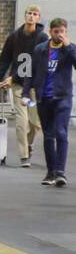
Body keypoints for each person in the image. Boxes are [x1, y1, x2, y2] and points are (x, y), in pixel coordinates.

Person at [23, 17, 76, 186]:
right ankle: (50, 172)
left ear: (65, 32)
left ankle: (60, 172)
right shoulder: (40, 49)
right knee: (48, 136)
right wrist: (25, 93)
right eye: (56, 31)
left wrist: (68, 46)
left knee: (61, 132)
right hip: (44, 98)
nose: (59, 35)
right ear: (50, 32)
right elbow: (30, 72)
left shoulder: (70, 49)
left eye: (62, 31)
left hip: (63, 97)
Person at [0, 5, 47, 169]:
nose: (31, 16)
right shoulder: (14, 37)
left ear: (38, 18)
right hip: (19, 88)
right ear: (25, 16)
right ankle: (24, 156)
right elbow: (5, 58)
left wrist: (12, 77)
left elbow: (34, 62)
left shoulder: (42, 38)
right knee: (21, 120)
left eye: (35, 14)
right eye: (29, 13)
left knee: (35, 123)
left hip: (33, 88)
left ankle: (29, 143)